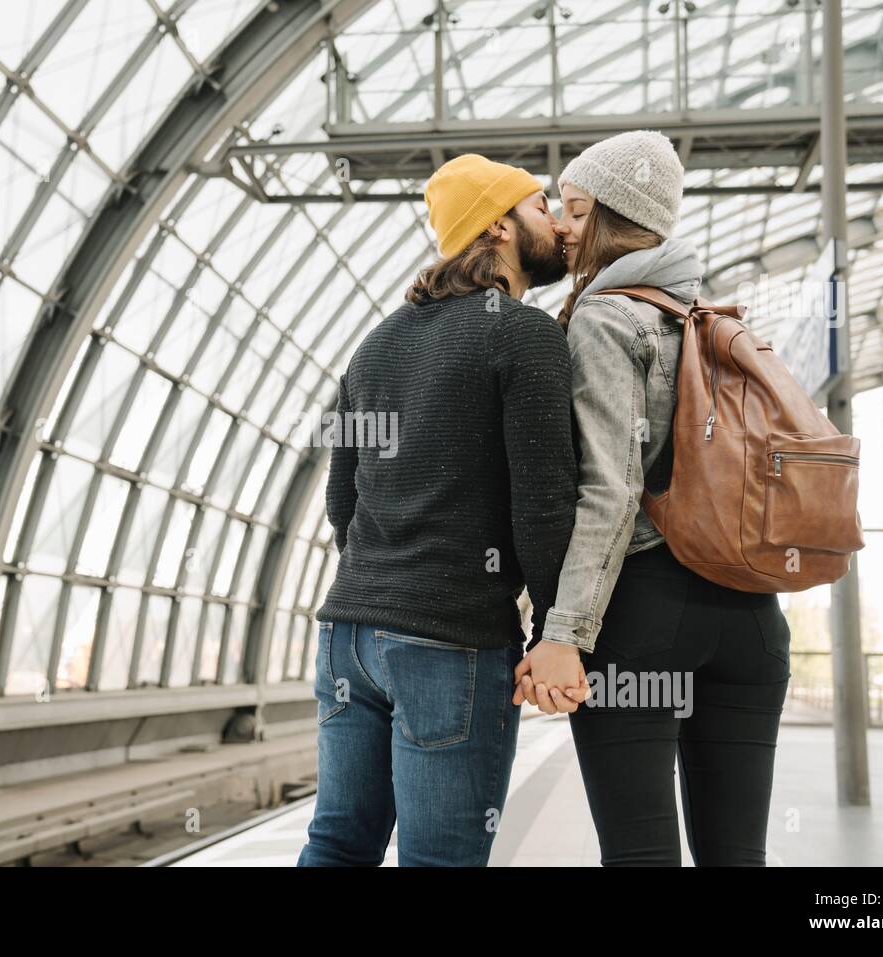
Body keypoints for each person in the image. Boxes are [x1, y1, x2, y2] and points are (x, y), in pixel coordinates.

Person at [513, 129, 793, 866]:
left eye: (573, 210)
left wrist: (563, 632)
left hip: (643, 617)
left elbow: (610, 489)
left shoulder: (606, 318)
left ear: (609, 216)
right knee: (739, 857)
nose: (560, 228)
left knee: (641, 855)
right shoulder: (715, 320)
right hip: (752, 621)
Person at [297, 154, 584, 867]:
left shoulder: (377, 343)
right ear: (499, 226)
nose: (555, 222)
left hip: (346, 635)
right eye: (540, 206)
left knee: (336, 843)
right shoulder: (525, 334)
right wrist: (557, 630)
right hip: (451, 640)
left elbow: (342, 503)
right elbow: (543, 506)